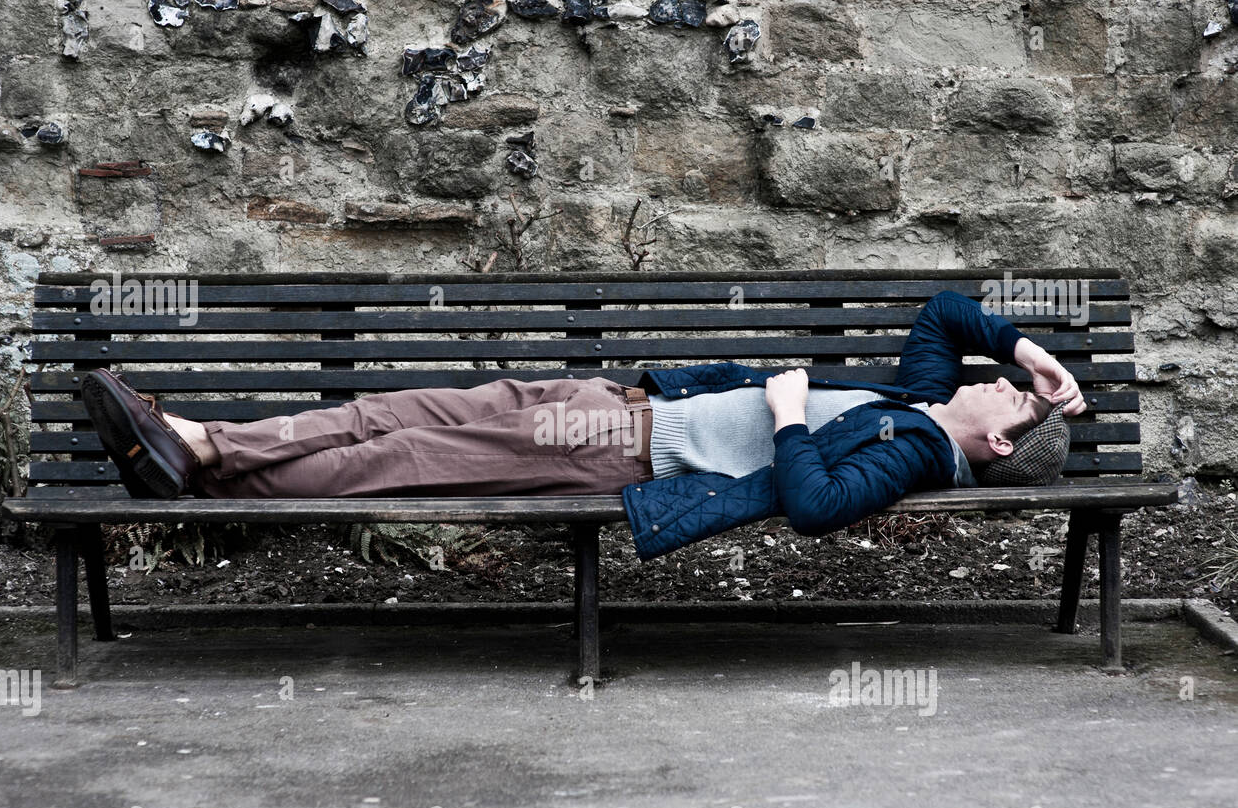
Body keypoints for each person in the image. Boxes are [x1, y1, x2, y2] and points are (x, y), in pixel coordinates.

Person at [80, 289, 1084, 561]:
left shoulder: (915, 452)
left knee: (405, 457)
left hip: (623, 448)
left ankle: (203, 454)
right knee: (404, 411)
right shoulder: (920, 397)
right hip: (625, 403)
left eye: (1011, 396)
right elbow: (945, 309)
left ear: (994, 444)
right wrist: (1028, 348)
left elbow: (816, 508)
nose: (1000, 380)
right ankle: (205, 442)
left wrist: (786, 417)